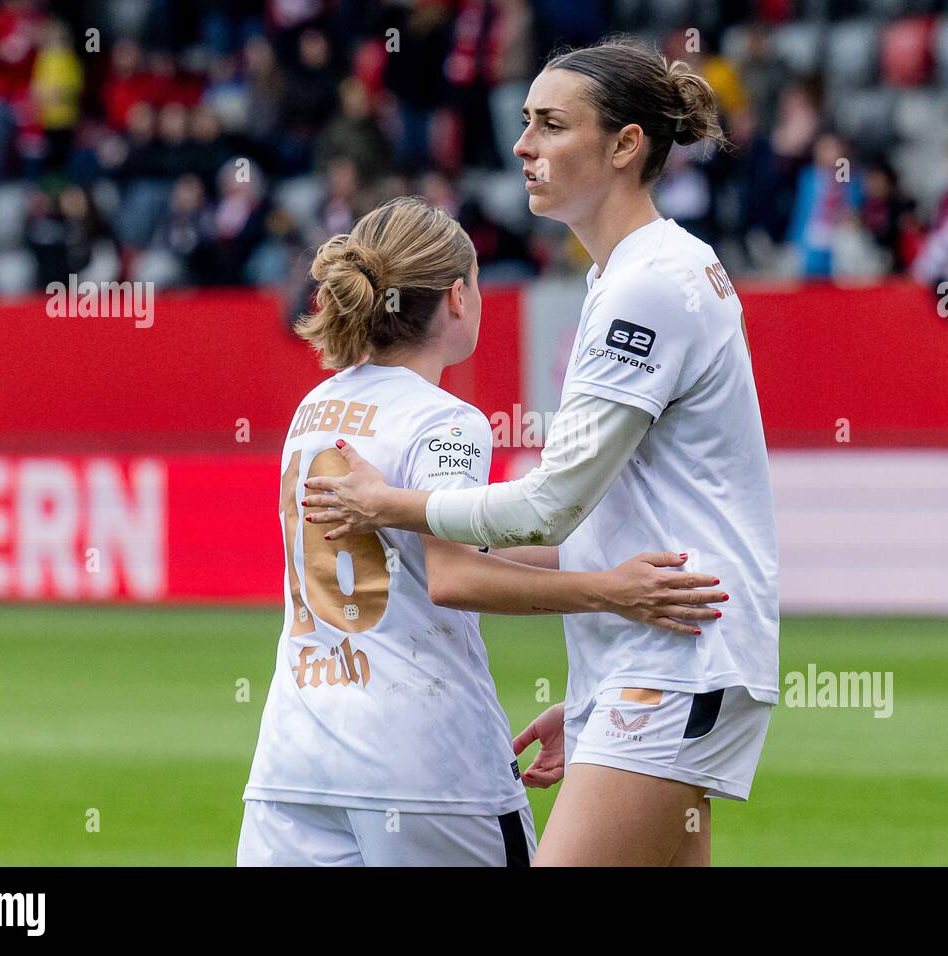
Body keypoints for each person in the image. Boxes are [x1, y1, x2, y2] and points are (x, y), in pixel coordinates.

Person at [302, 40, 780, 866]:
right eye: (525, 123)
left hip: (676, 658)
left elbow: (552, 503)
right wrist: (592, 692)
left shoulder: (647, 283)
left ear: (626, 146)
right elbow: (605, 511)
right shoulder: (630, 275)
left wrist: (393, 505)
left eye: (552, 125)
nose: (522, 146)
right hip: (655, 661)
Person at [237, 196, 727, 867]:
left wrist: (593, 549)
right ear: (459, 298)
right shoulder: (447, 420)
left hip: (296, 758)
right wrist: (611, 590)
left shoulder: (317, 405)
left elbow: (423, 546)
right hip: (424, 763)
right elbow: (454, 575)